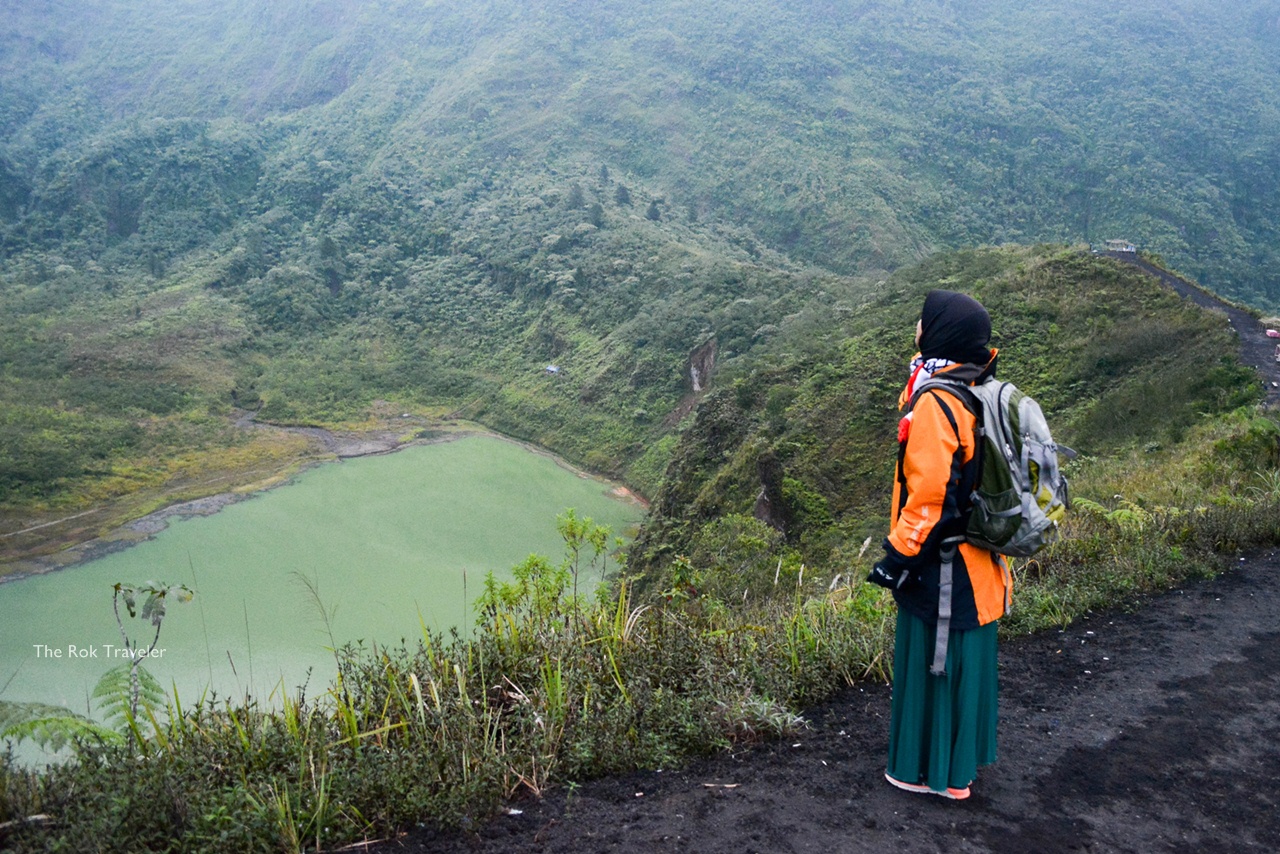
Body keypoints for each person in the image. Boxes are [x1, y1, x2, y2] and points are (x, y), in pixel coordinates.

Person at [867, 289, 1011, 801]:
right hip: (980, 563)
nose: (917, 327)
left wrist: (897, 558)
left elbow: (929, 496)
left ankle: (924, 773)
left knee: (932, 660)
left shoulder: (936, 401)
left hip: (943, 567)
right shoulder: (978, 387)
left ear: (939, 332)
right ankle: (957, 769)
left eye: (923, 320)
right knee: (966, 663)